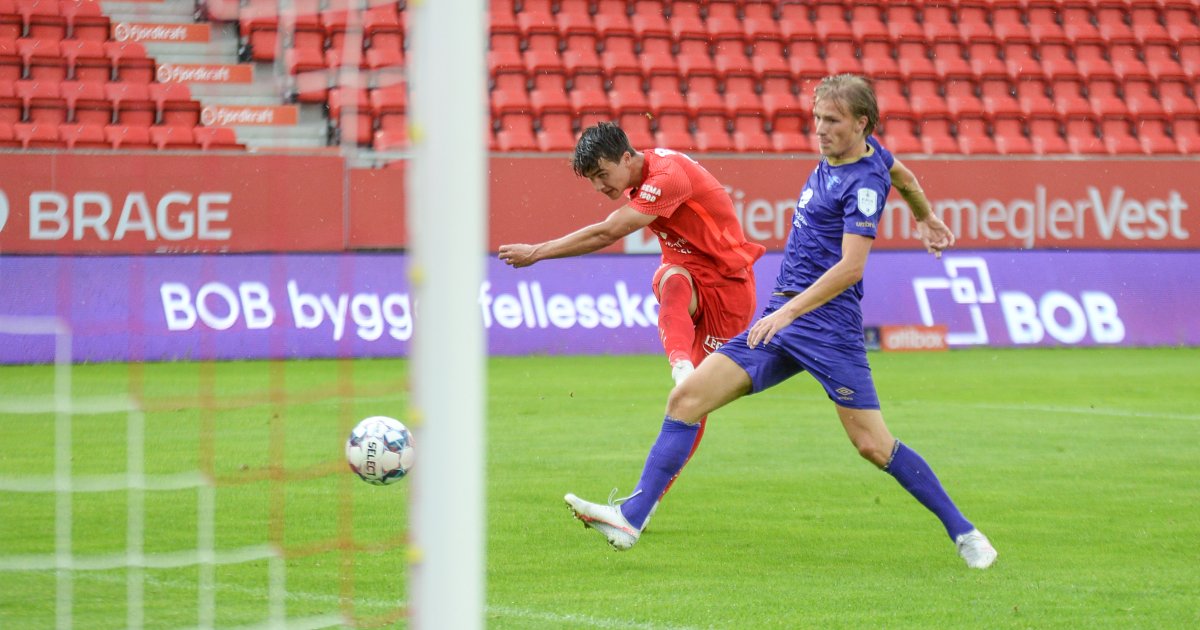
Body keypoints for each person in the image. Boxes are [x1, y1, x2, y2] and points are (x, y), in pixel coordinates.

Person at [563, 74, 998, 569]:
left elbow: (852, 268)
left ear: (861, 123)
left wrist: (790, 310)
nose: (820, 129)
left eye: (832, 121)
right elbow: (906, 175)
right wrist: (927, 217)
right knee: (686, 398)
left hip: (826, 326)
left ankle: (964, 533)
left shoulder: (863, 185)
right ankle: (630, 519)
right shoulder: (870, 152)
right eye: (817, 119)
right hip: (783, 318)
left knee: (872, 445)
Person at [498, 122, 765, 514]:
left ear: (626, 157)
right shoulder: (644, 177)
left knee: (695, 403)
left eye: (603, 175)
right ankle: (680, 366)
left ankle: (648, 500)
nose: (600, 187)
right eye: (592, 180)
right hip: (690, 277)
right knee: (669, 278)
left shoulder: (666, 177)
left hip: (729, 287)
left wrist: (537, 252)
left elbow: (607, 233)